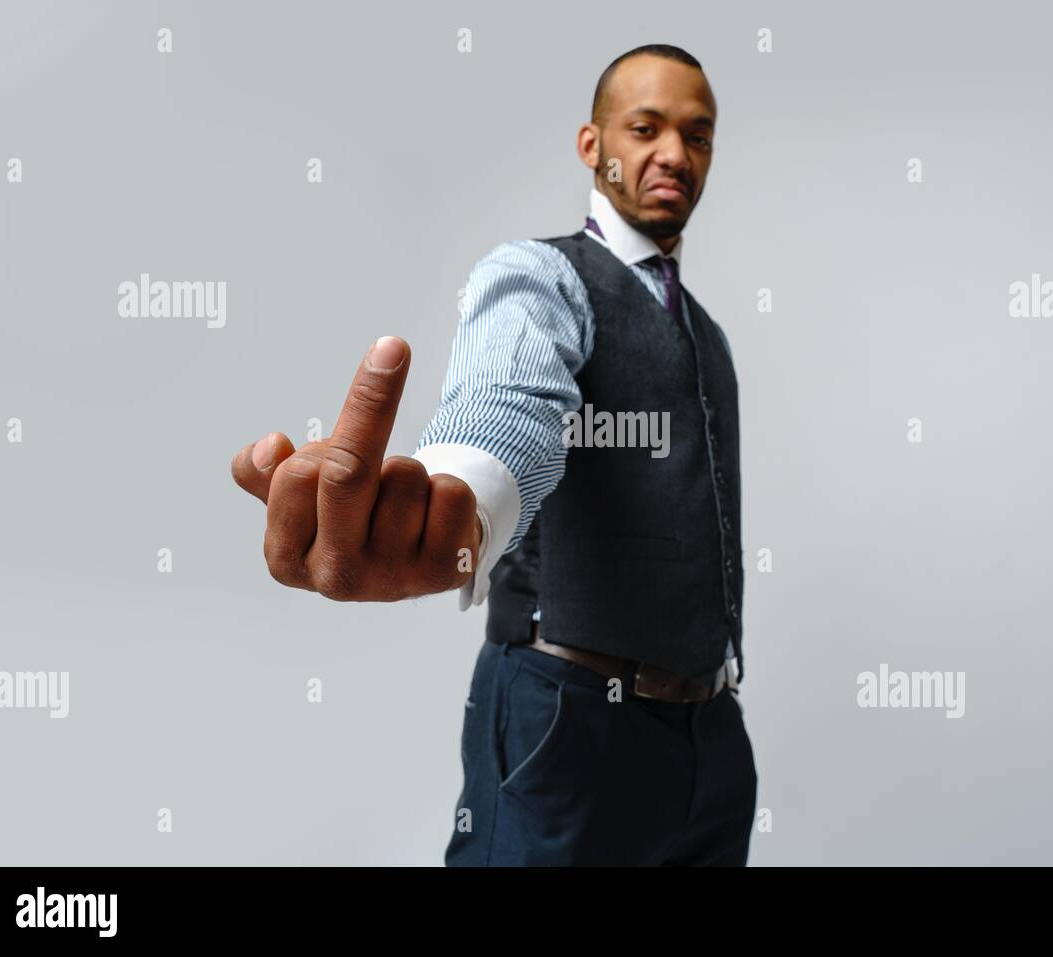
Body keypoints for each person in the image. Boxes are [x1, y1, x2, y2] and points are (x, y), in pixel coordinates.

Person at [231, 44, 756, 865]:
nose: (673, 155)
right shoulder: (541, 275)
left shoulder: (710, 335)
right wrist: (460, 496)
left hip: (712, 743)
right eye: (646, 128)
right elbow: (511, 398)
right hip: (569, 721)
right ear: (593, 145)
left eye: (698, 135)